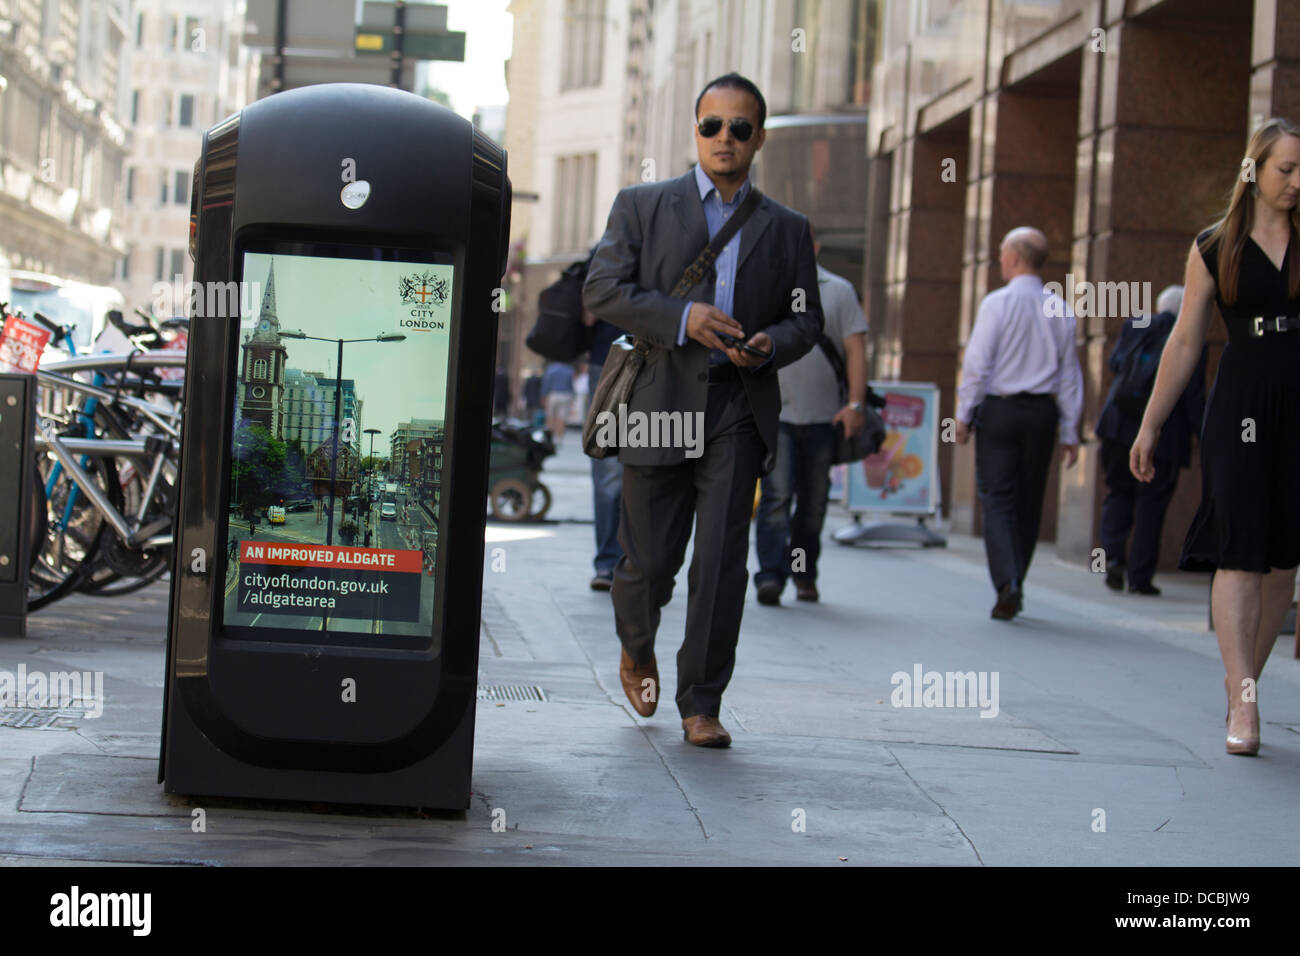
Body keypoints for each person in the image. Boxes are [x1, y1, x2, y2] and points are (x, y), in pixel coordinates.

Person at [583, 72, 823, 747]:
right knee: (648, 564)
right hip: (659, 398)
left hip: (737, 407)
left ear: (760, 139)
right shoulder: (641, 205)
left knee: (720, 560)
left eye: (740, 128)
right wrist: (683, 316)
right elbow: (603, 290)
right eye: (712, 125)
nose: (725, 138)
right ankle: (637, 645)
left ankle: (701, 701)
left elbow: (808, 319)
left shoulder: (788, 228)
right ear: (695, 132)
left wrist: (773, 342)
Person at [1132, 117, 1300, 756]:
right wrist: (1149, 425)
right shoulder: (1215, 245)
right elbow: (1183, 342)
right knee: (1240, 550)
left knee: (1284, 555)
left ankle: (1245, 685)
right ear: (1256, 171)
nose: (1295, 183)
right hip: (1242, 405)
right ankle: (1244, 702)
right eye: (1286, 169)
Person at [954, 226, 1084, 620]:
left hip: (1000, 411)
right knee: (1028, 501)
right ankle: (1016, 581)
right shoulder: (1059, 307)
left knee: (996, 498)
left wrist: (963, 413)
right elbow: (1069, 376)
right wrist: (1070, 430)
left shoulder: (996, 303)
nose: (999, 261)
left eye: (1001, 254)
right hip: (1042, 416)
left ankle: (1007, 583)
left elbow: (978, 363)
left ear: (1013, 258)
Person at [753, 228, 868, 605]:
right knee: (776, 496)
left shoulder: (839, 290)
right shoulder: (766, 289)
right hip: (777, 415)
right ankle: (770, 575)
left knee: (814, 503)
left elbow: (855, 350)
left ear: (815, 248)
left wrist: (855, 404)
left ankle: (803, 573)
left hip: (824, 417)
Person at [1096, 285, 1206, 595]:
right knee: (1152, 506)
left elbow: (1116, 363)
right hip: (1165, 434)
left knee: (1117, 493)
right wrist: (1203, 437)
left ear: (1160, 305)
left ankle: (1112, 560)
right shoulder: (1190, 336)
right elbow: (1194, 394)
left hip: (1118, 426)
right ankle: (1140, 577)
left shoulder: (1139, 322)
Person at [586, 308, 626, 591]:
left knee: (657, 464)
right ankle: (611, 562)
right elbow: (591, 309)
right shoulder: (604, 260)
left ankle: (623, 563)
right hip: (611, 359)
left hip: (665, 359)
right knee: (610, 471)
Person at [540, 360, 574, 446]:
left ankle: (549, 438)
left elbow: (546, 383)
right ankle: (559, 439)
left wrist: (543, 395)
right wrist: (572, 399)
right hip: (566, 395)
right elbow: (571, 385)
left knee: (550, 417)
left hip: (553, 394)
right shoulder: (569, 370)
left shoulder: (551, 369)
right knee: (561, 418)